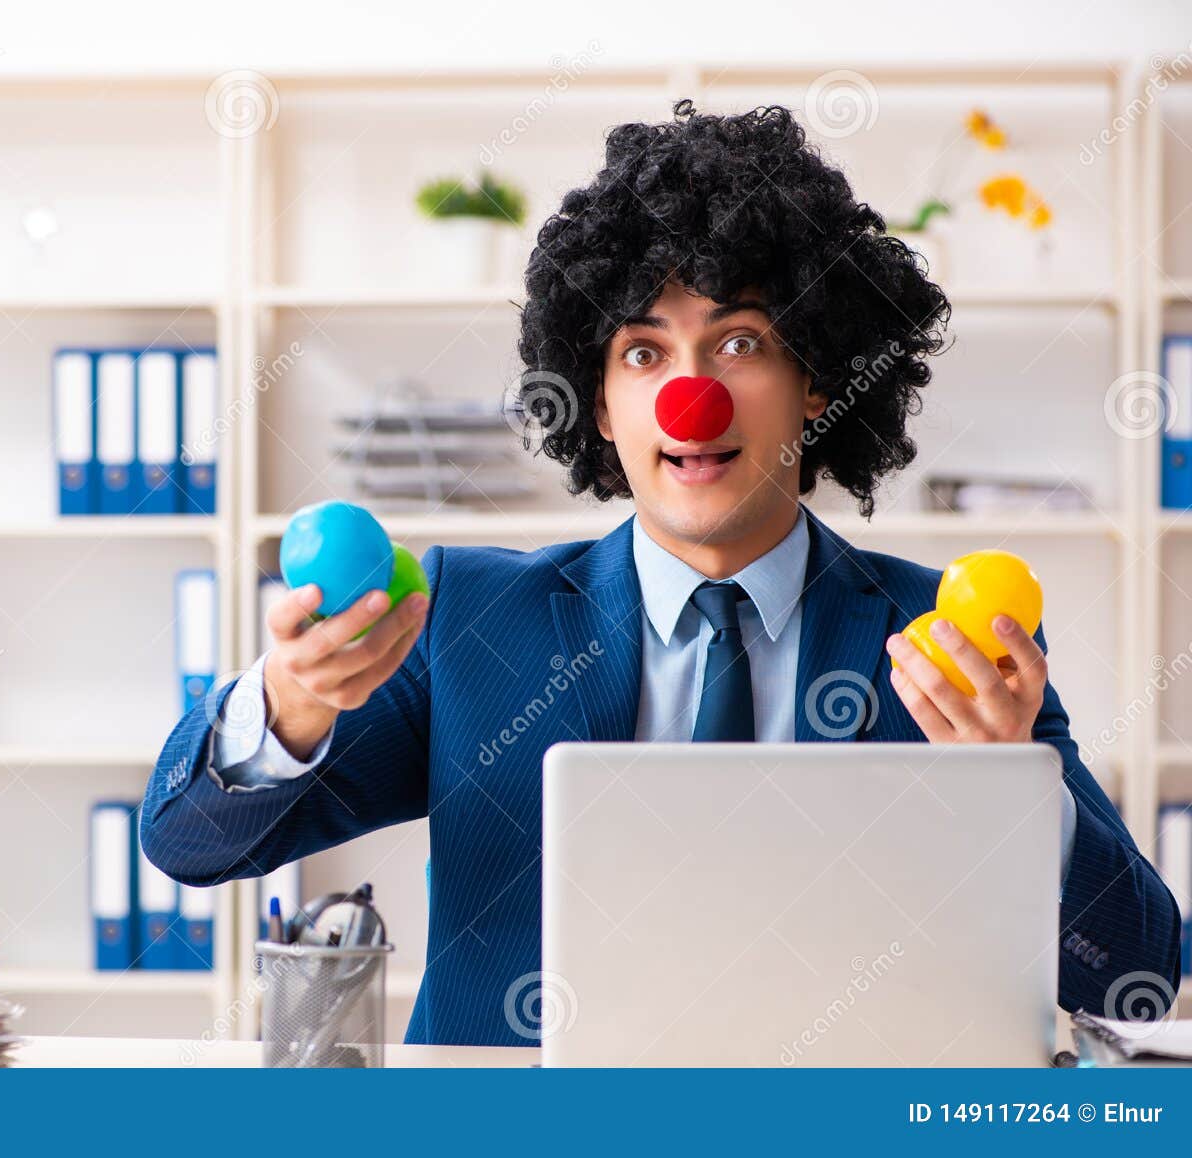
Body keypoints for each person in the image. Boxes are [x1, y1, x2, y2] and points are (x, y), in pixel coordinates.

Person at [142, 100, 1181, 1046]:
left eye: (738, 343)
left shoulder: (944, 641)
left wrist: (1012, 793)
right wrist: (286, 707)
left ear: (815, 382)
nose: (692, 396)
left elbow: (1138, 976)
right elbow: (188, 843)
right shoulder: (467, 618)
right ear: (598, 405)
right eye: (643, 354)